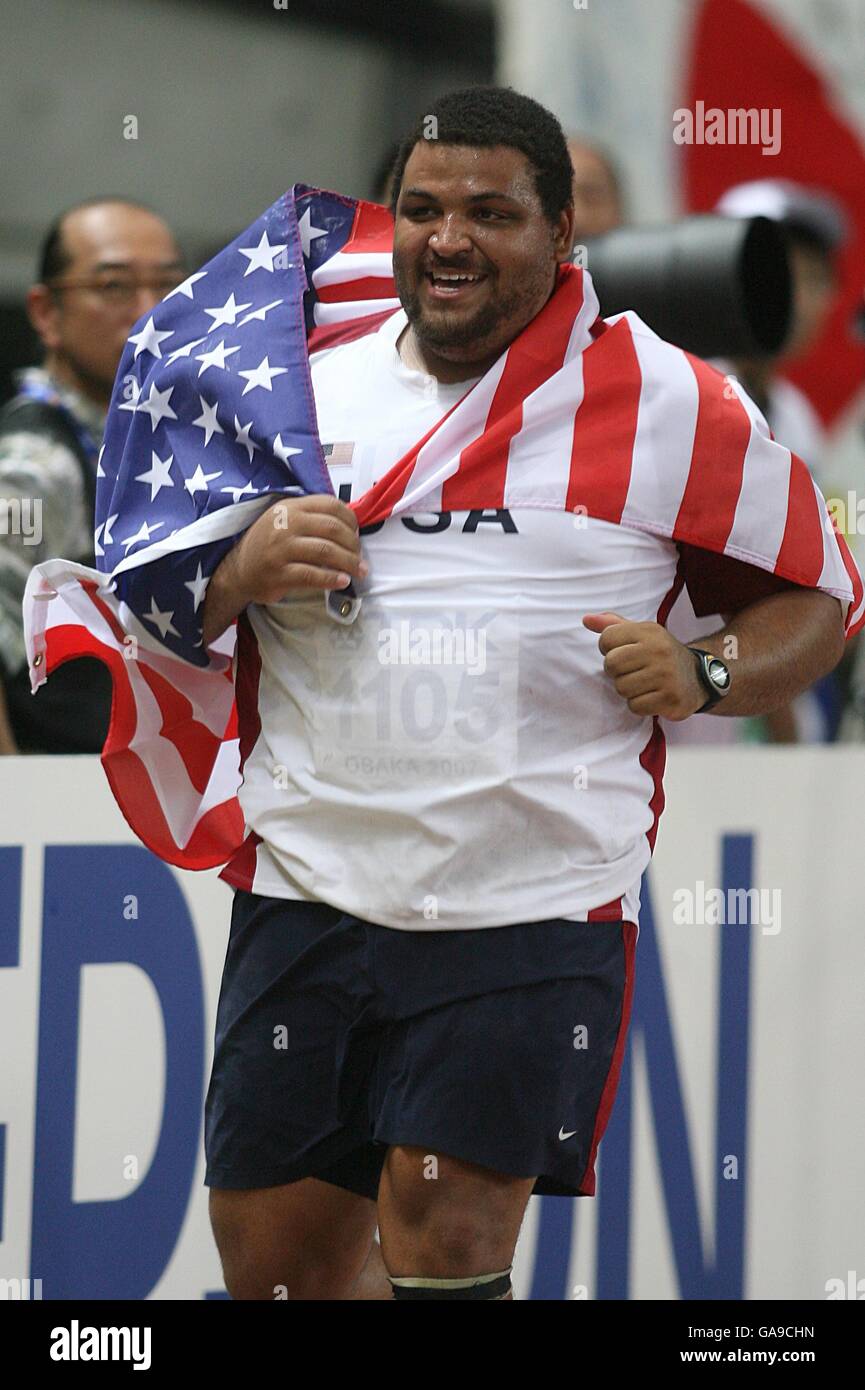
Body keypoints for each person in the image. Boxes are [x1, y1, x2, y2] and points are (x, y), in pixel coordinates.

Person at [170, 89, 852, 1300]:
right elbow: (163, 596)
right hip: (309, 892)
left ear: (561, 233)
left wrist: (704, 672)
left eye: (491, 211)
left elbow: (817, 597)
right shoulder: (297, 386)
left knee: (450, 1245)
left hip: (528, 911)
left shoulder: (676, 402)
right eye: (423, 209)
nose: (449, 237)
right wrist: (241, 568)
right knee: (279, 1272)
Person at [0, 197, 185, 753]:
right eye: (114, 287)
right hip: (67, 820)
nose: (149, 311)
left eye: (168, 286)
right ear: (46, 314)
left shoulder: (167, 437)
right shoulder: (34, 465)